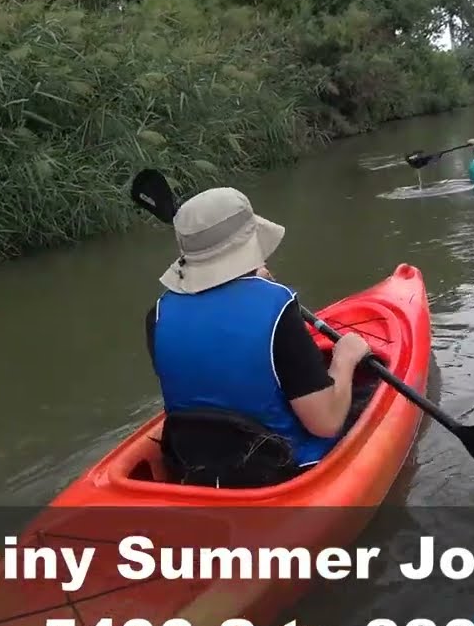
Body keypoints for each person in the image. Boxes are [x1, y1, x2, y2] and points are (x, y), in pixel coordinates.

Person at [144, 186, 373, 488]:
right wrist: (345, 357)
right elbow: (325, 423)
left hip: (193, 466)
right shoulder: (277, 307)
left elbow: (211, 365)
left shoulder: (158, 314)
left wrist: (250, 282)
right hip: (277, 471)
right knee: (365, 393)